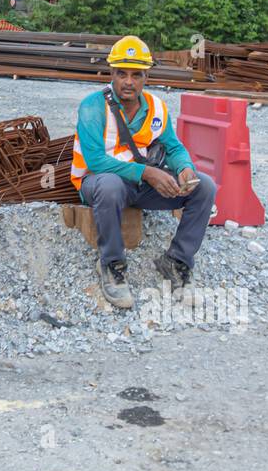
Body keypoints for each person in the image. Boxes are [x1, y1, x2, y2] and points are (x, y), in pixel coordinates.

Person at [69, 35, 217, 310]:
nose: (128, 81)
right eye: (121, 74)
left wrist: (185, 169)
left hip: (138, 184)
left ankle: (177, 261)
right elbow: (96, 161)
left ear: (146, 76)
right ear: (111, 73)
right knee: (111, 186)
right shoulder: (92, 107)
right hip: (97, 182)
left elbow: (173, 147)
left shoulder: (157, 107)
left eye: (136, 75)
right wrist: (148, 174)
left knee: (205, 186)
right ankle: (112, 264)